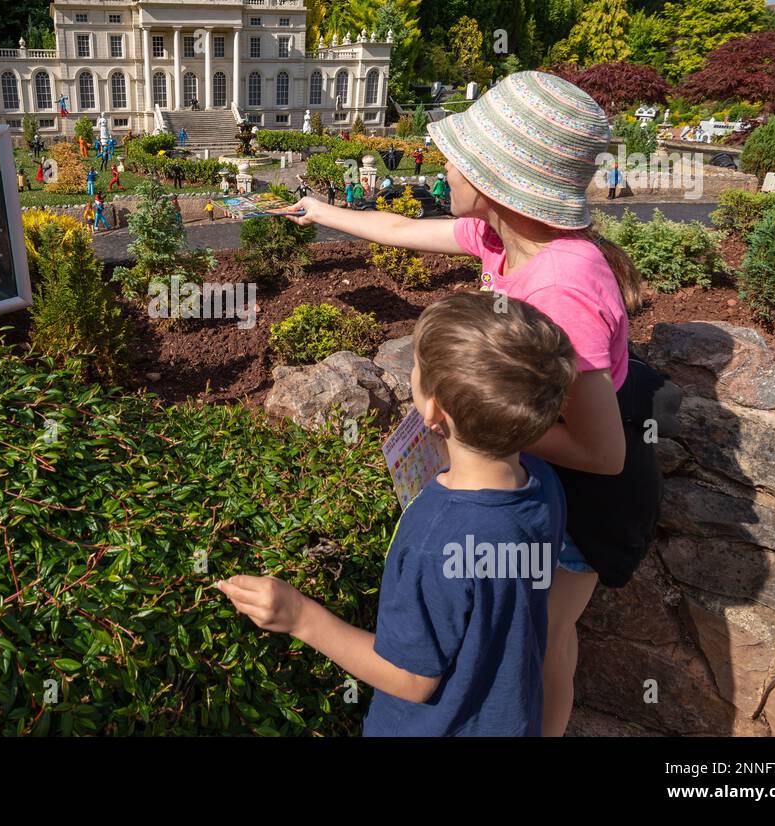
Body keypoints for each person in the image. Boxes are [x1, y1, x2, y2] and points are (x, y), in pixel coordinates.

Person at [270, 71, 665, 737]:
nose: (441, 164)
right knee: (516, 630)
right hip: (527, 465)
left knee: (544, 639)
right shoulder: (502, 238)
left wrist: (474, 416)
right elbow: (398, 228)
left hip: (583, 498)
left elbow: (604, 453)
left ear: (495, 182)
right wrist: (320, 211)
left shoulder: (561, 288)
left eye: (458, 156)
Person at [218, 291, 574, 736]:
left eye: (417, 368)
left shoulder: (436, 537)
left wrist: (300, 616)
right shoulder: (542, 485)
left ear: (433, 408)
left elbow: (411, 678)